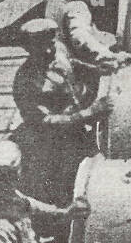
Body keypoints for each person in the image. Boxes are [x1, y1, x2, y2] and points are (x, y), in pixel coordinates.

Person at [12, 16, 108, 203]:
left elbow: (72, 65)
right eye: (41, 48)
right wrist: (89, 113)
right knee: (69, 185)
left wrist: (98, 69)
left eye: (51, 43)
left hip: (79, 123)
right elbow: (45, 122)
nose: (49, 51)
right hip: (55, 142)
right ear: (29, 49)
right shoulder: (26, 83)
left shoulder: (57, 51)